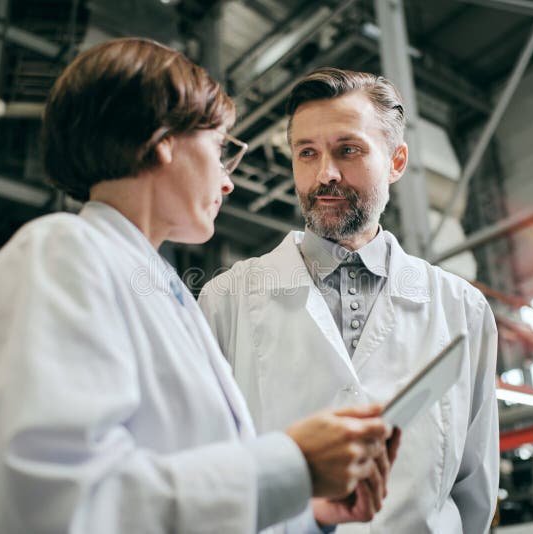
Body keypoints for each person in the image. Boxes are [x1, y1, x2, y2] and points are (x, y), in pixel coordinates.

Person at [0, 40, 400, 534]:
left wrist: (305, 513)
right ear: (164, 141)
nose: (228, 182)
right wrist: (292, 466)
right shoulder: (60, 255)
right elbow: (52, 511)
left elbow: (193, 498)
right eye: (220, 147)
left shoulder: (159, 289)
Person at [198, 67, 499, 533]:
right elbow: (212, 475)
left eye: (348, 150)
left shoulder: (463, 308)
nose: (325, 174)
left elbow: (474, 488)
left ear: (397, 162)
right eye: (307, 153)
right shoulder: (226, 300)